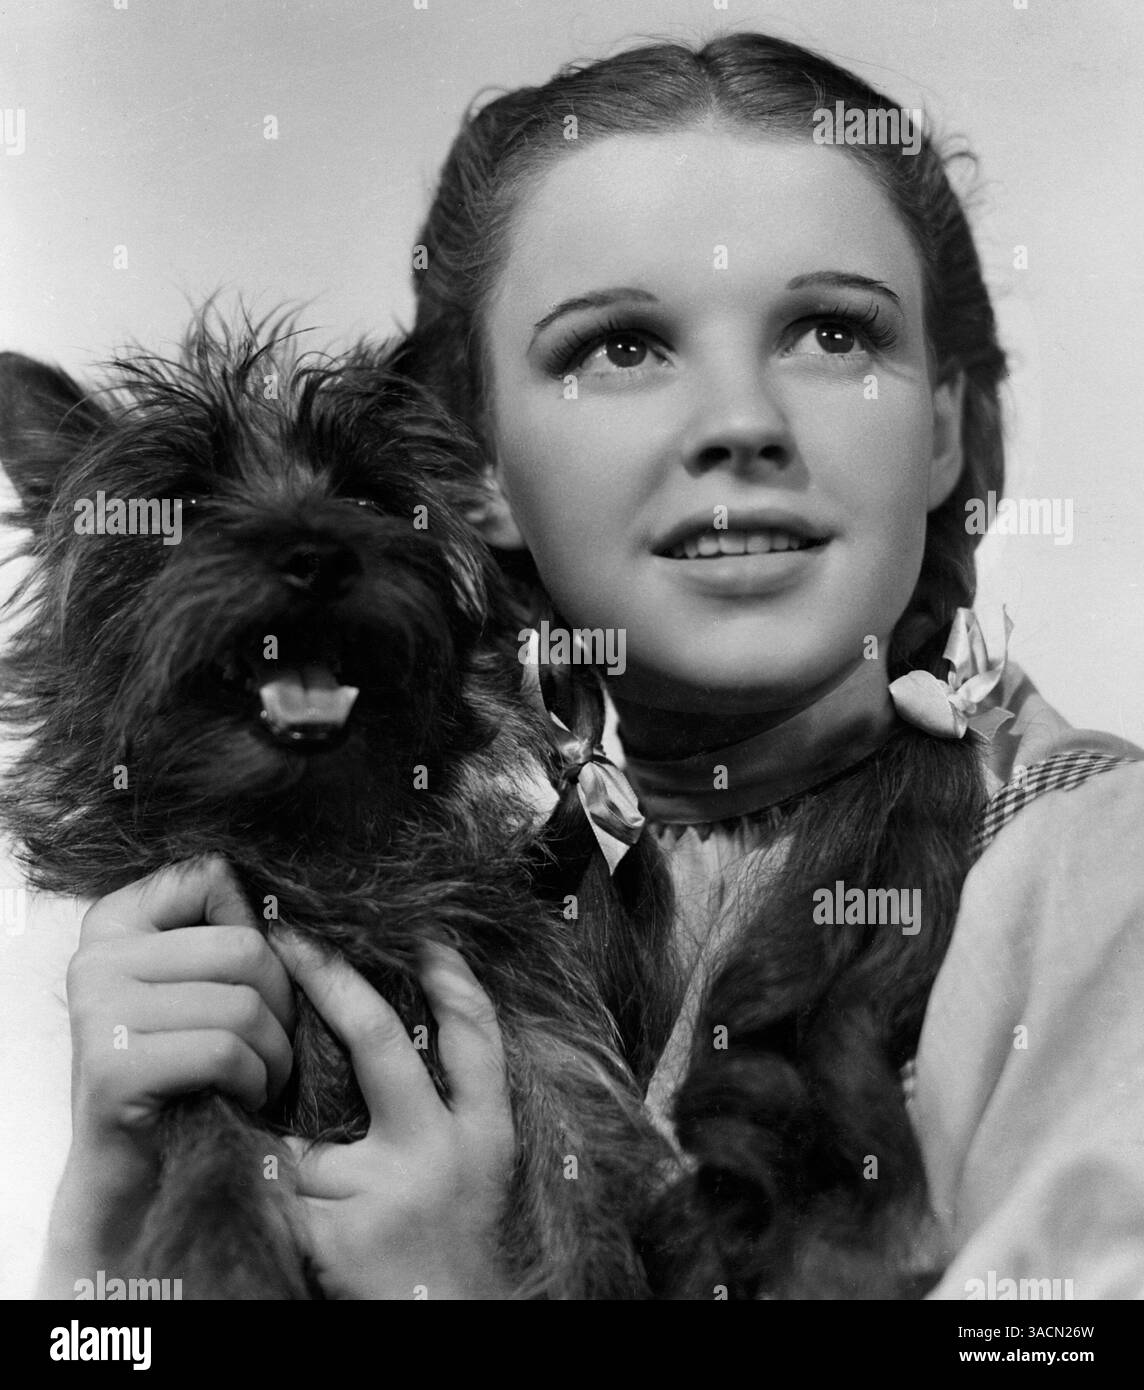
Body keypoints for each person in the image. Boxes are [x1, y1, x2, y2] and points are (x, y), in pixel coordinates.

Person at [29, 31, 1144, 1300]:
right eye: (619, 347)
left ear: (942, 426)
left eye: (832, 332)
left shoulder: (1094, 869)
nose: (741, 423)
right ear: (475, 471)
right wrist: (112, 1231)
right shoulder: (512, 884)